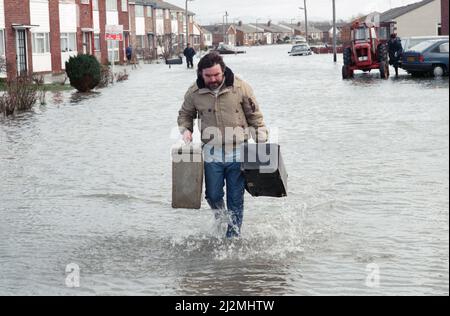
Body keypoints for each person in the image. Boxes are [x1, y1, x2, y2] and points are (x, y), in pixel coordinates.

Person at [177, 53, 268, 238]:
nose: (213, 79)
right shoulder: (194, 92)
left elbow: (255, 116)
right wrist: (186, 129)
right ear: (200, 74)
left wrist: (261, 139)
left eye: (216, 75)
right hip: (211, 153)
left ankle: (232, 237)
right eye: (208, 76)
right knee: (212, 195)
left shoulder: (241, 87)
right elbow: (185, 114)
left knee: (235, 198)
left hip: (238, 151)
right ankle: (222, 219)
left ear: (223, 71)